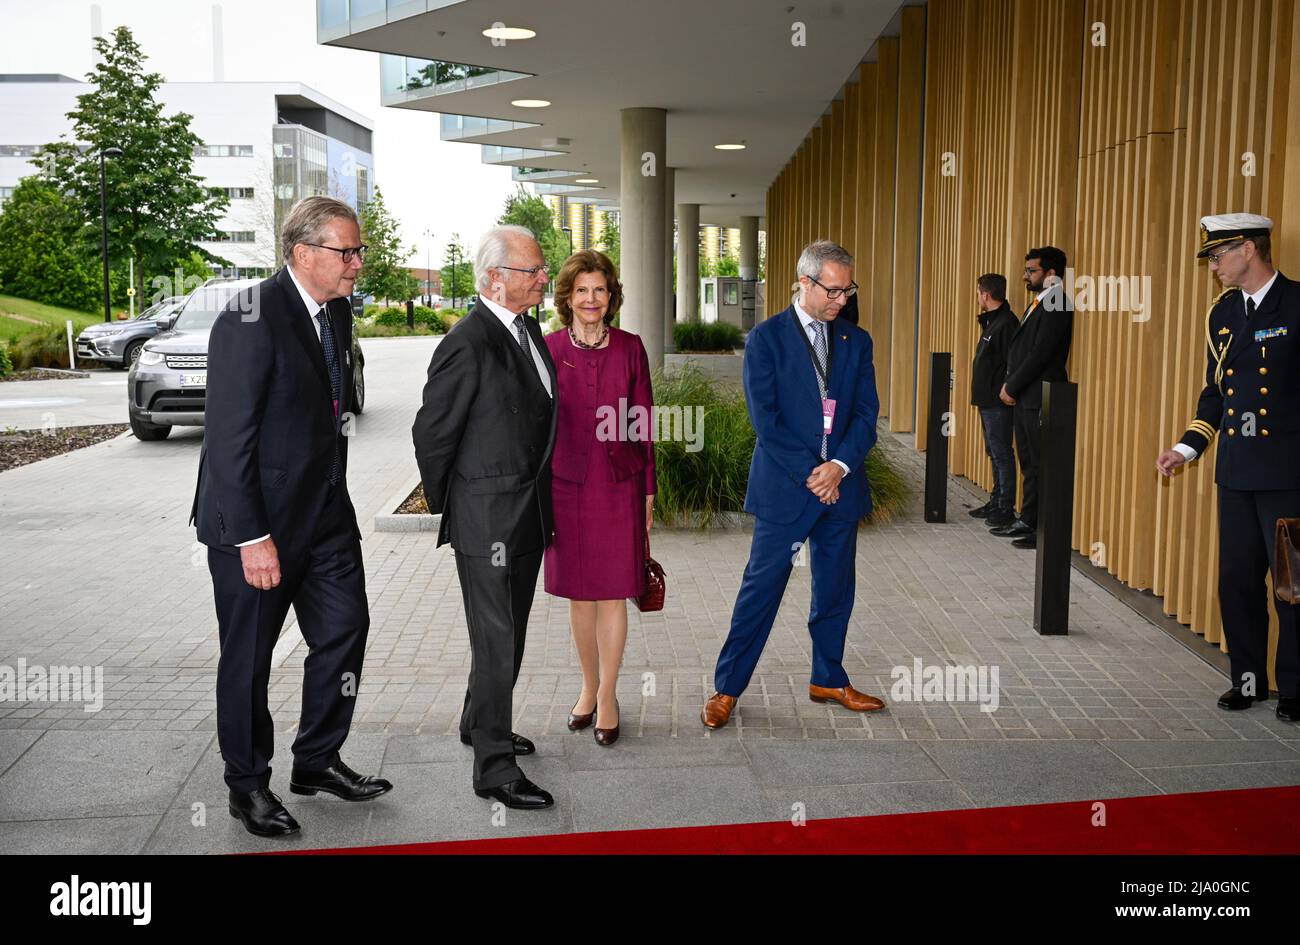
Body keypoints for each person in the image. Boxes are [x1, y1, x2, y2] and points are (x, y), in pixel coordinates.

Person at [191, 195, 391, 839]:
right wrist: (253, 537)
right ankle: (246, 785)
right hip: (256, 524)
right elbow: (227, 440)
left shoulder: (333, 313)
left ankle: (317, 758)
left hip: (325, 514)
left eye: (358, 250)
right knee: (248, 659)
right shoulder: (250, 316)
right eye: (347, 251)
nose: (357, 262)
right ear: (304, 253)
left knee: (345, 629)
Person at [702, 240, 884, 729]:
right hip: (789, 487)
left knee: (835, 588)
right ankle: (727, 688)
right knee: (761, 589)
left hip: (839, 489)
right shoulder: (766, 339)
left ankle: (828, 677)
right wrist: (815, 473)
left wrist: (839, 467)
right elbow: (768, 421)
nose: (841, 300)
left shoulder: (855, 341)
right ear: (804, 282)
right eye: (833, 290)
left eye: (848, 291)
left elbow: (867, 413)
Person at [411, 224, 559, 809]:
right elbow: (431, 433)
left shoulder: (528, 331)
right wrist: (460, 506)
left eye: (542, 269)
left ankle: (479, 720)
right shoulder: (467, 341)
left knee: (510, 634)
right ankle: (493, 769)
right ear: (496, 280)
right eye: (533, 270)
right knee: (498, 642)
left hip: (527, 516)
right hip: (488, 522)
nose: (544, 277)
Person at [1156, 213, 1300, 723]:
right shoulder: (1221, 314)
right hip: (1236, 472)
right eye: (1212, 258)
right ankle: (1247, 680)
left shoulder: (1297, 304)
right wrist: (1187, 447)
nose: (1213, 265)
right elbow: (1215, 393)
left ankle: (1295, 690)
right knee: (1237, 581)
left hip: (1288, 474)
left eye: (1219, 255)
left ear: (1250, 250)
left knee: (1293, 587)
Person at [543, 250, 656, 748]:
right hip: (564, 485)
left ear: (612, 298)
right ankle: (587, 688)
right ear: (567, 297)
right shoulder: (546, 349)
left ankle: (608, 696)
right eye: (582, 290)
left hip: (618, 484)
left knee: (613, 592)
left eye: (600, 290)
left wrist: (649, 489)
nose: (592, 299)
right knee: (579, 595)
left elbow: (644, 422)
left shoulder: (631, 348)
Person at [992, 245, 1074, 549]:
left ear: (1050, 274)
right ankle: (1027, 519)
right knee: (1028, 462)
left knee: (1041, 465)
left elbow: (1041, 354)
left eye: (1032, 271)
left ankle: (1040, 530)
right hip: (1027, 396)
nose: (1026, 276)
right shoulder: (1039, 303)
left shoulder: (1057, 303)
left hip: (1040, 397)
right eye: (1026, 270)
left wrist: (1011, 386)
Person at [969, 273, 1018, 528]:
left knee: (1001, 453)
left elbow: (1014, 362)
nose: (978, 297)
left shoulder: (1006, 323)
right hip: (987, 400)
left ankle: (1005, 507)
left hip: (997, 403)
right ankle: (996, 499)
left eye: (979, 293)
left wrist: (1007, 389)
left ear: (985, 295)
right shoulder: (992, 322)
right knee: (993, 451)